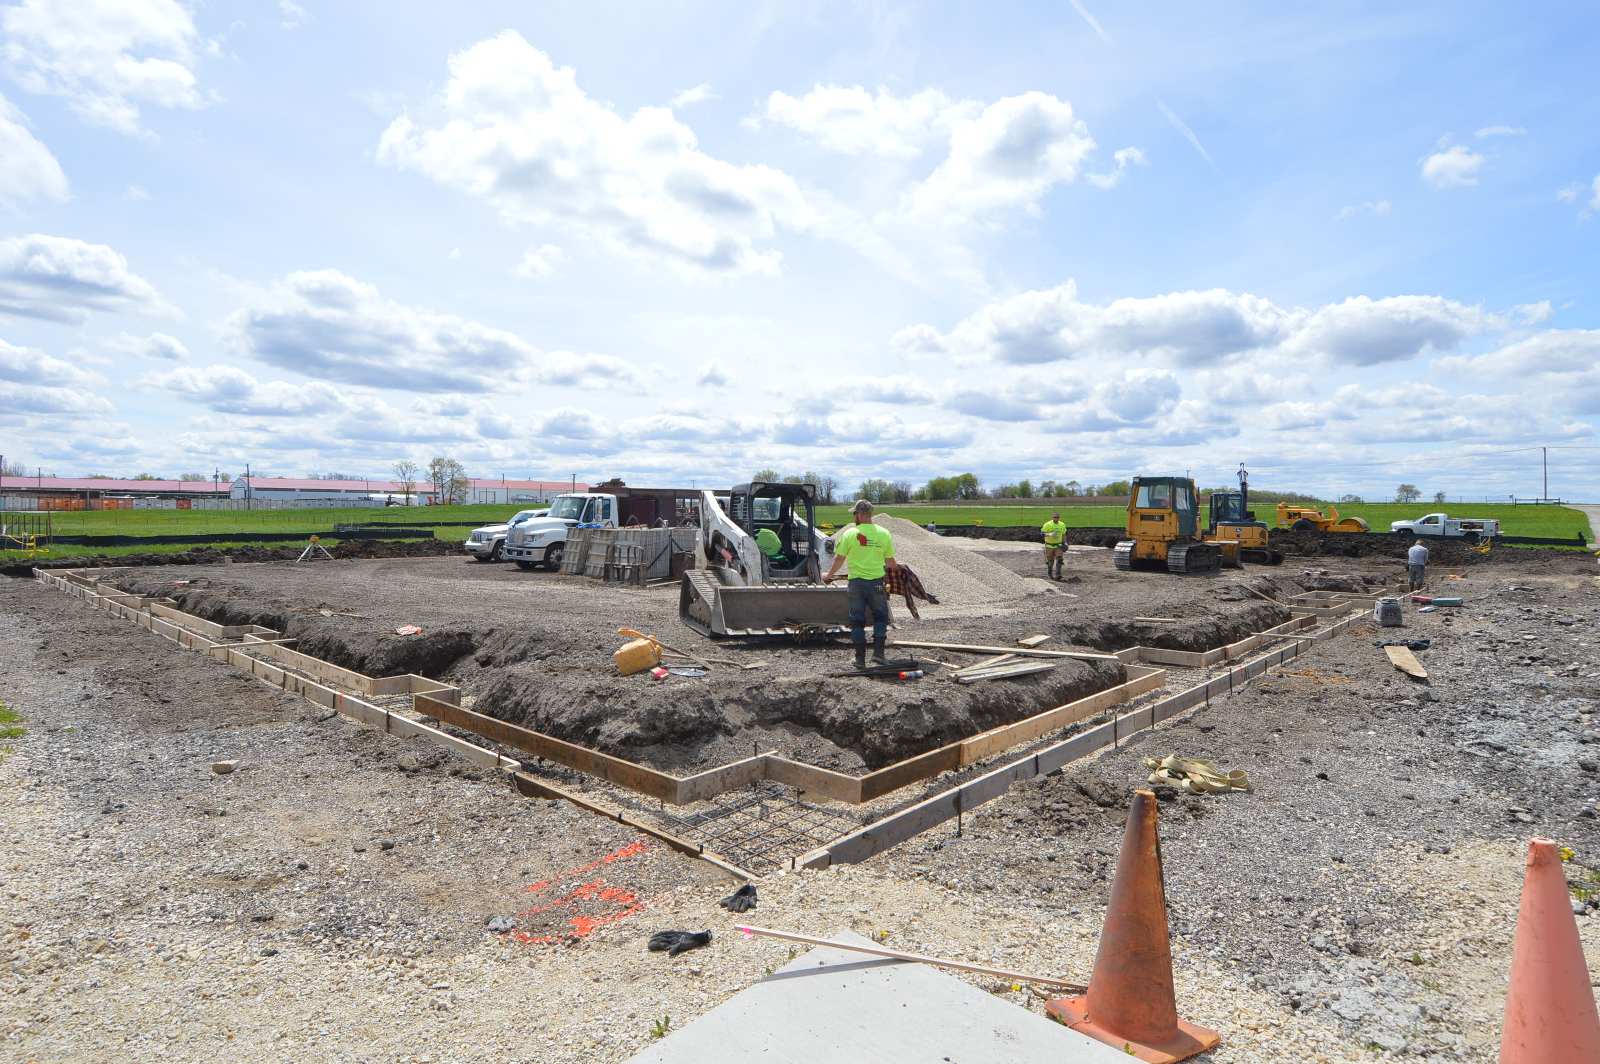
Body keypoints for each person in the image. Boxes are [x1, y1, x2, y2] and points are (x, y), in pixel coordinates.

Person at [822, 499, 895, 669]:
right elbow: (891, 563)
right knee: (880, 618)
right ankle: (878, 655)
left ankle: (860, 660)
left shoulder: (849, 534)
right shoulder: (884, 534)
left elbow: (839, 559)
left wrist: (828, 575)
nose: (854, 516)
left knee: (857, 620)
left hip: (856, 584)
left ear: (861, 515)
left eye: (855, 513)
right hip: (877, 583)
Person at [1041, 511, 1067, 580]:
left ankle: (1058, 575)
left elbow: (1064, 534)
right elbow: (1042, 534)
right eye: (1055, 517)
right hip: (1049, 546)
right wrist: (1049, 534)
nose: (1056, 518)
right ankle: (1050, 574)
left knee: (1059, 559)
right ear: (1052, 517)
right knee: (1050, 561)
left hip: (1058, 545)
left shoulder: (1062, 525)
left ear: (1059, 518)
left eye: (1057, 517)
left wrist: (1065, 542)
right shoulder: (1047, 524)